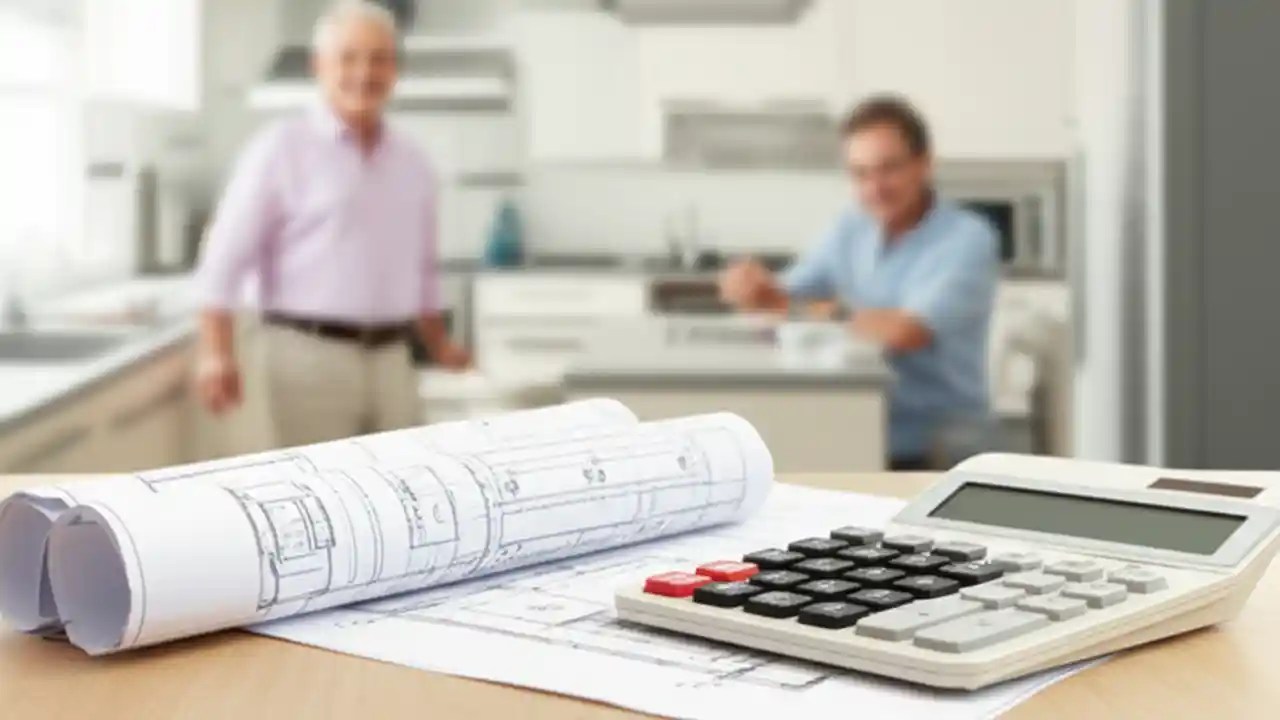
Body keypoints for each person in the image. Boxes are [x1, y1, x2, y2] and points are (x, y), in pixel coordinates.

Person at [194, 0, 469, 447]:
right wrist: (215, 352)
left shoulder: (412, 161)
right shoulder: (280, 149)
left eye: (379, 59)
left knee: (406, 493)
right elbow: (223, 259)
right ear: (319, 66)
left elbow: (421, 272)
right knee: (321, 499)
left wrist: (440, 347)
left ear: (395, 69)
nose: (365, 72)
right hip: (307, 359)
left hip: (394, 361)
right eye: (349, 58)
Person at [719, 95, 999, 470]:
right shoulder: (852, 227)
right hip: (863, 416)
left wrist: (812, 310)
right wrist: (752, 288)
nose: (875, 187)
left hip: (937, 439)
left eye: (889, 169)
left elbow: (904, 332)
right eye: (860, 173)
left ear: (924, 163)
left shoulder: (967, 238)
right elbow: (785, 295)